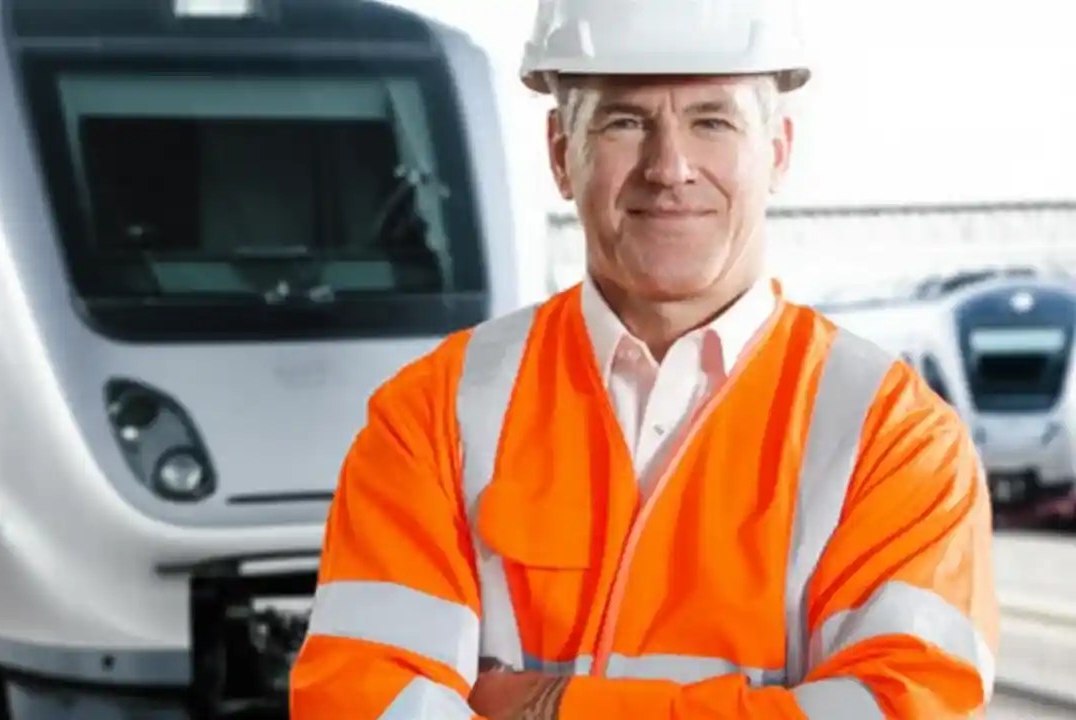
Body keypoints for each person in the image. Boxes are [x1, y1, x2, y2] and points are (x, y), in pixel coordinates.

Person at [288, 0, 999, 717]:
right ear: (563, 156)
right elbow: (359, 698)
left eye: (711, 121)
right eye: (625, 121)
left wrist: (550, 706)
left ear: (778, 151)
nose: (670, 168)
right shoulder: (433, 414)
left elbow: (911, 705)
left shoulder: (896, 437)